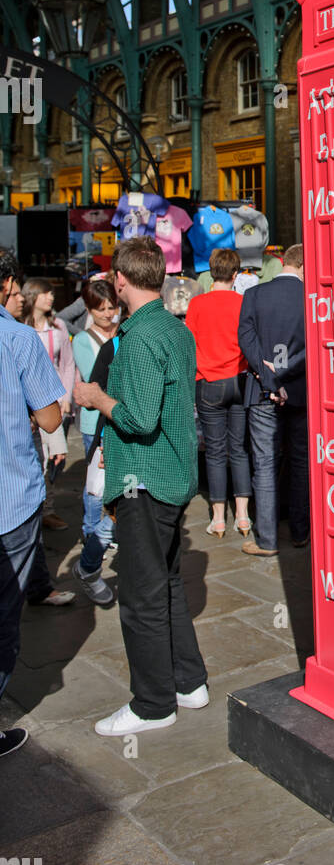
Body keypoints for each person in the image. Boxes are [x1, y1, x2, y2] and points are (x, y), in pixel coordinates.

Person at [74, 237, 208, 737]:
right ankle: (189, 683)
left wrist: (96, 397)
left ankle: (153, 703)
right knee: (167, 583)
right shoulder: (175, 329)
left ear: (121, 280)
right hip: (170, 476)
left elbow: (138, 418)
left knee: (141, 597)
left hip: (145, 481)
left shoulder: (141, 337)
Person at [0, 248, 67, 756]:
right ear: (5, 285)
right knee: (4, 616)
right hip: (11, 500)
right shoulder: (18, 339)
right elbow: (48, 419)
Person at [238, 243, 309, 555]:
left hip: (262, 391)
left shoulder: (254, 295)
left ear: (284, 263)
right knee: (300, 462)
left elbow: (245, 339)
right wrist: (285, 374)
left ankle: (266, 539)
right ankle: (300, 532)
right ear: (305, 266)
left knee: (265, 464)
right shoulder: (311, 298)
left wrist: (269, 379)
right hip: (300, 391)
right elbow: (313, 347)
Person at [184, 247, 252, 538]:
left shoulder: (197, 304)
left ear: (211, 272)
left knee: (214, 453)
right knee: (238, 449)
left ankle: (219, 518)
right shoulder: (244, 303)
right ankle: (244, 516)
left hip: (209, 382)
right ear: (236, 274)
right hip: (238, 380)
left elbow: (190, 345)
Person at [71, 280, 121, 605]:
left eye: (111, 308)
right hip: (95, 422)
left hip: (116, 418)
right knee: (95, 486)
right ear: (89, 311)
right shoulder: (83, 340)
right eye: (101, 310)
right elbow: (94, 382)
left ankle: (101, 536)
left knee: (111, 485)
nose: (108, 315)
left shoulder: (122, 334)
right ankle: (92, 533)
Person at [22, 278, 76, 529]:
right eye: (45, 294)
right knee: (36, 457)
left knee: (56, 457)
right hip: (30, 404)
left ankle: (48, 508)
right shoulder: (21, 328)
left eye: (52, 294)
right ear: (32, 296)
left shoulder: (58, 327)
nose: (51, 298)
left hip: (54, 402)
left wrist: (65, 397)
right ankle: (37, 507)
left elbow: (67, 364)